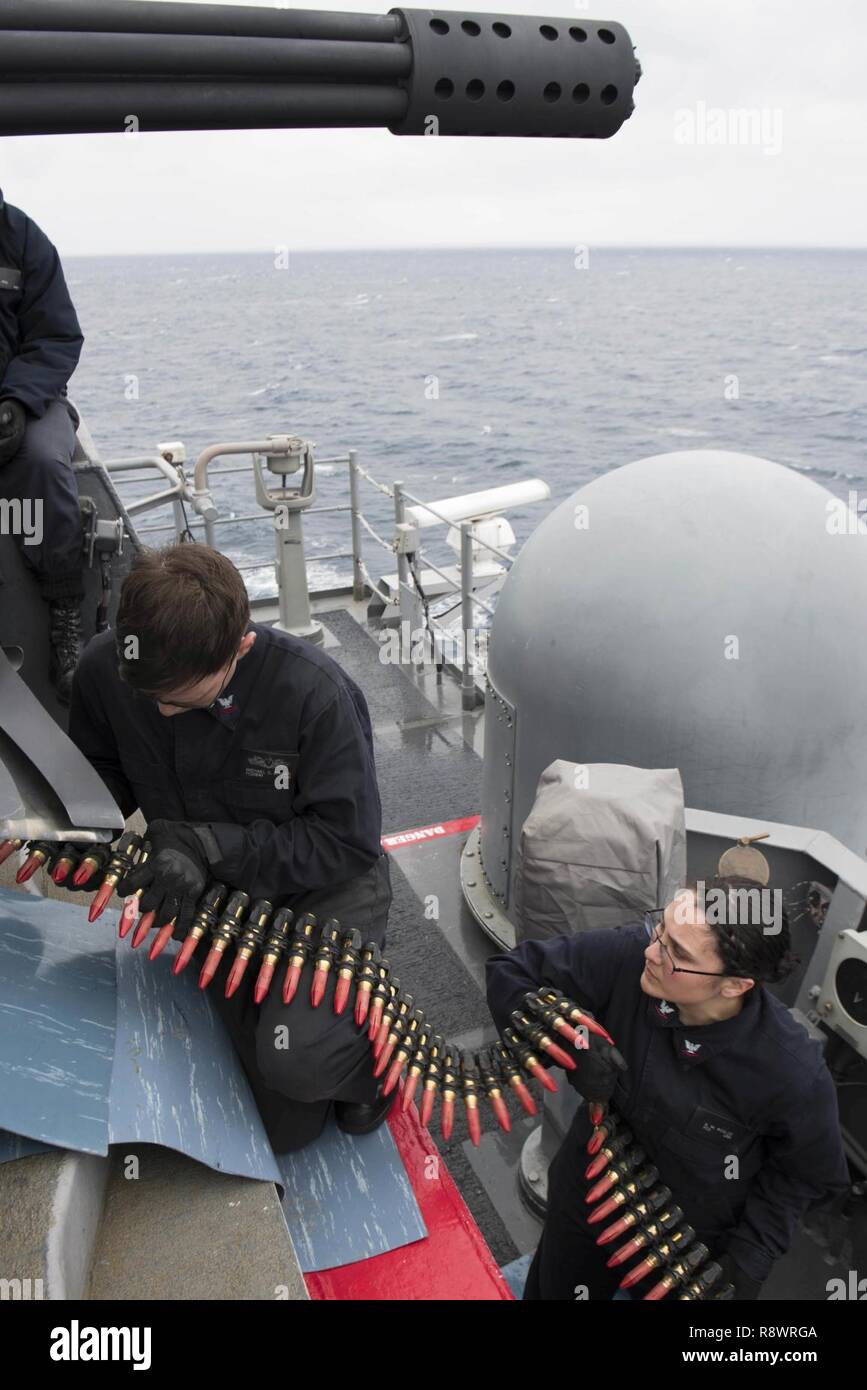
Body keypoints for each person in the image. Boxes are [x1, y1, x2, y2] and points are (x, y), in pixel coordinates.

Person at [69, 542, 394, 1152]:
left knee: (295, 1066)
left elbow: (345, 841)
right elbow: (99, 775)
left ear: (240, 648)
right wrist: (75, 835)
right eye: (149, 697)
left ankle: (369, 1067)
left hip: (321, 888)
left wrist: (206, 848)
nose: (162, 710)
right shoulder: (108, 669)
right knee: (281, 1125)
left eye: (181, 697)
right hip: (208, 891)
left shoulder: (314, 693)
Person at [486, 876, 850, 1300]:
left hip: (681, 1247)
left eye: (677, 952)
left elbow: (804, 1174)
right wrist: (572, 1044)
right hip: (588, 1195)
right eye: (661, 930)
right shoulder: (634, 961)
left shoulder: (792, 1072)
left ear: (735, 985)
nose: (652, 952)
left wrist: (750, 1256)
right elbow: (513, 972)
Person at [0, 187, 85, 700]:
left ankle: (65, 614)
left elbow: (57, 336)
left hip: (29, 395)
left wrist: (16, 400)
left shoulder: (23, 239)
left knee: (45, 463)